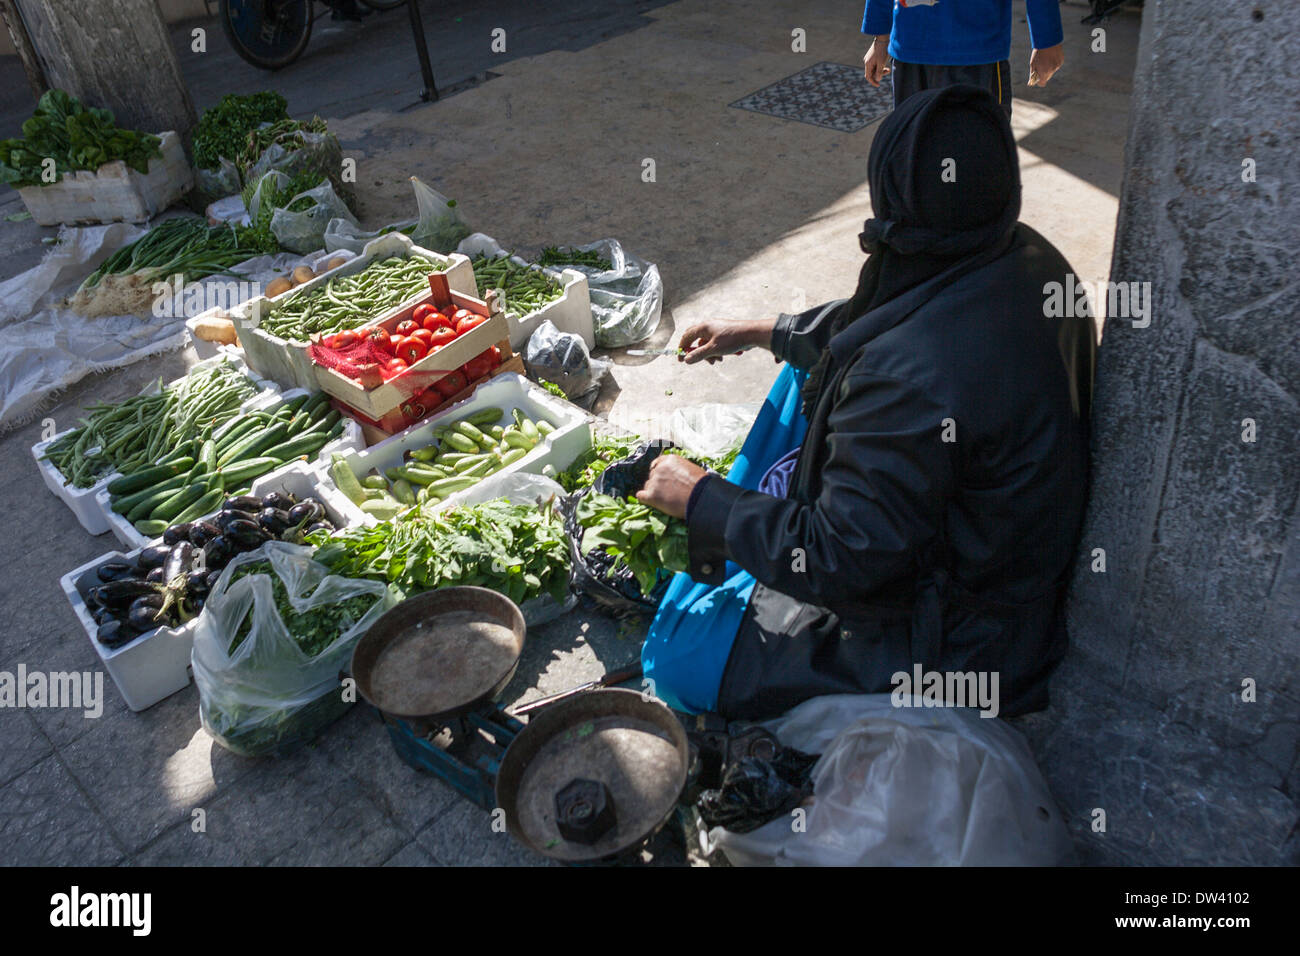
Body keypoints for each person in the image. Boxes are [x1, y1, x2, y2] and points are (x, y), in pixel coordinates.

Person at [636, 85, 1095, 720]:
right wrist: (766, 331)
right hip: (987, 543)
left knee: (676, 660)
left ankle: (739, 565)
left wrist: (702, 498)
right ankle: (750, 533)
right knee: (802, 375)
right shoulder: (1021, 252)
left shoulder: (910, 381)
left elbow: (843, 559)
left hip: (960, 643)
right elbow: (888, 316)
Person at [861, 0, 1066, 117]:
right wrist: (881, 37)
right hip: (911, 46)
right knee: (913, 157)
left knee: (977, 159)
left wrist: (1046, 38)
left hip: (976, 50)